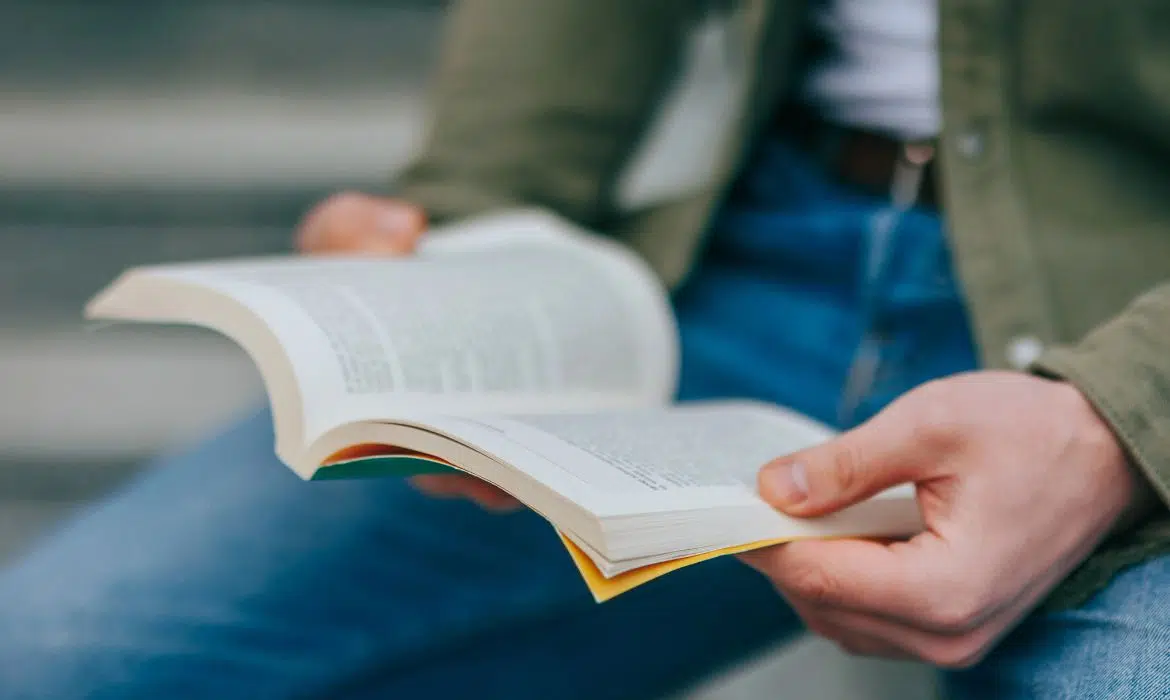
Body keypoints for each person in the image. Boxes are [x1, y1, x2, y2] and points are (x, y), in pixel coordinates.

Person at [2, 0, 1168, 697]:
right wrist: (458, 229)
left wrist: (1122, 411)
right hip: (780, 242)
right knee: (45, 657)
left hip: (1138, 312)